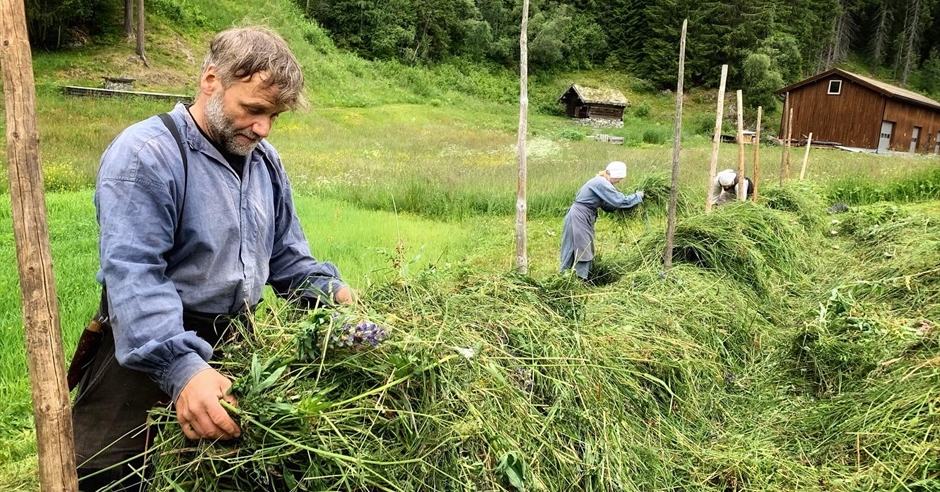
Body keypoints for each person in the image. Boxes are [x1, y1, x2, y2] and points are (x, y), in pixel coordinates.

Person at [71, 27, 354, 491]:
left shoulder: (264, 160)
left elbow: (286, 256)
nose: (263, 127)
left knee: (222, 474)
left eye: (274, 116)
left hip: (236, 343)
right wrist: (183, 370)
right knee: (114, 474)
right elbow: (136, 277)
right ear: (211, 81)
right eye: (254, 109)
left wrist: (336, 296)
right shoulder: (147, 155)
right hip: (149, 348)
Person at [559, 161, 644, 280]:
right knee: (581, 247)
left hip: (583, 216)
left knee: (582, 245)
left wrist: (623, 208)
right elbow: (619, 200)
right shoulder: (601, 182)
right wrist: (637, 197)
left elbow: (608, 206)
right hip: (579, 216)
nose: (619, 181)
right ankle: (575, 279)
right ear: (612, 174)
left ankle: (574, 276)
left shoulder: (602, 183)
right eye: (619, 178)